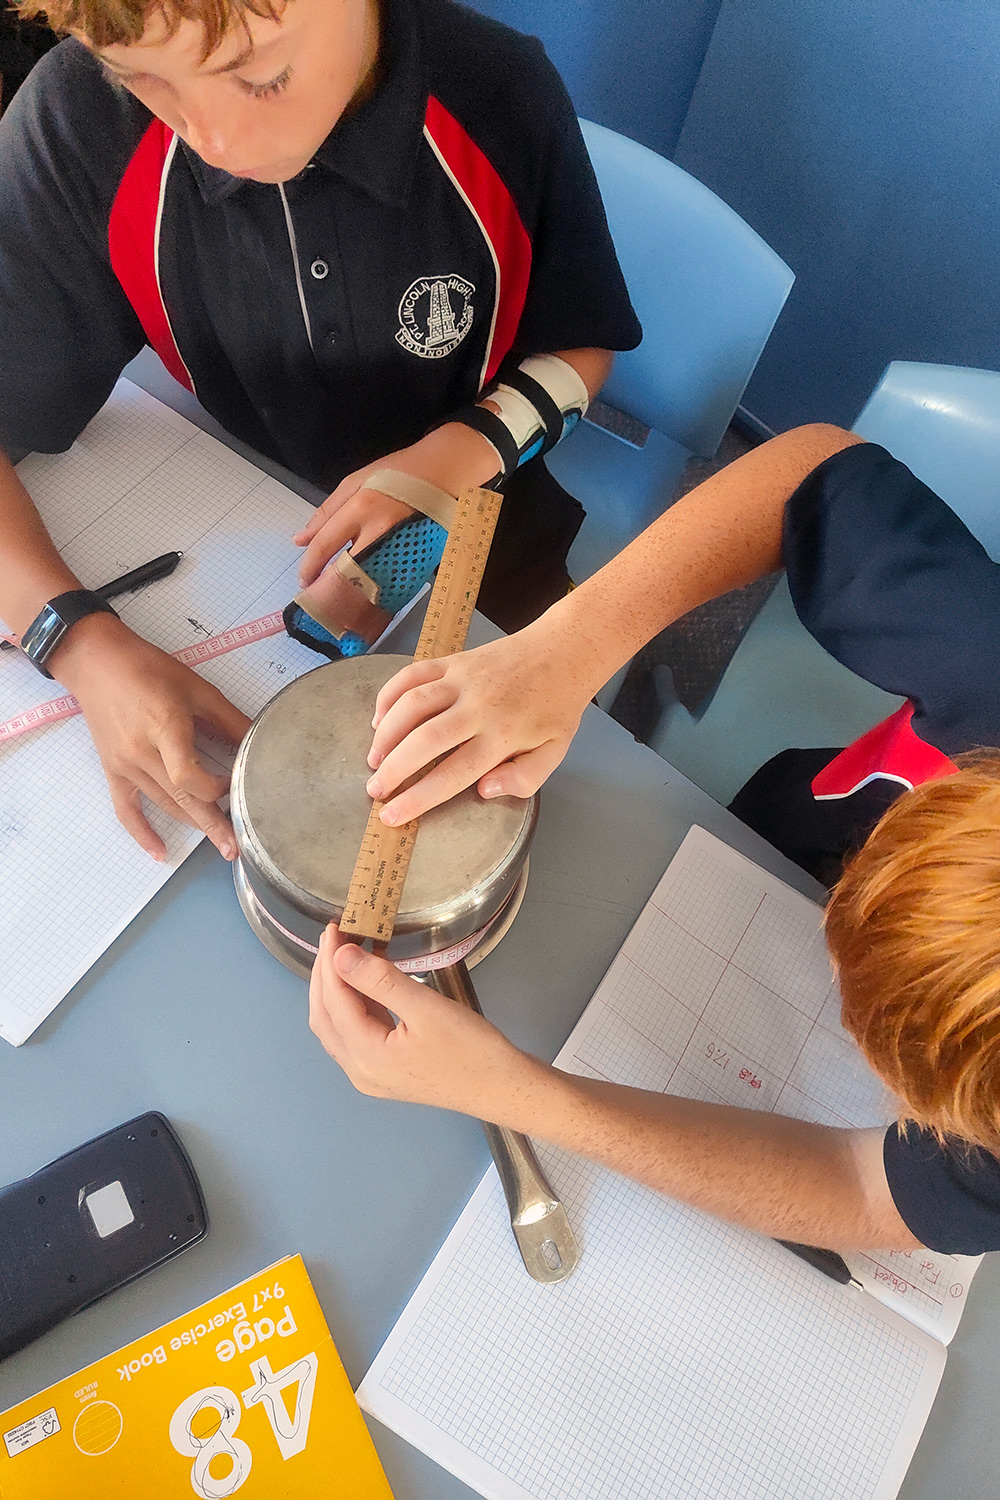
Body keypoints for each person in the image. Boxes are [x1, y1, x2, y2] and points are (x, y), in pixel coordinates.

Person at [308, 423, 1000, 1255]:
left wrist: (525, 1097)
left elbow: (867, 1192)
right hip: (800, 830)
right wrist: (570, 648)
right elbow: (810, 475)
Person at [0, 0, 639, 859]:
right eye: (146, 82)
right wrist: (71, 638)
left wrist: (465, 447)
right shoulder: (77, 125)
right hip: (239, 530)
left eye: (262, 77)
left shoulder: (500, 95)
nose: (212, 138)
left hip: (493, 543)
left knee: (519, 833)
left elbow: (581, 345)